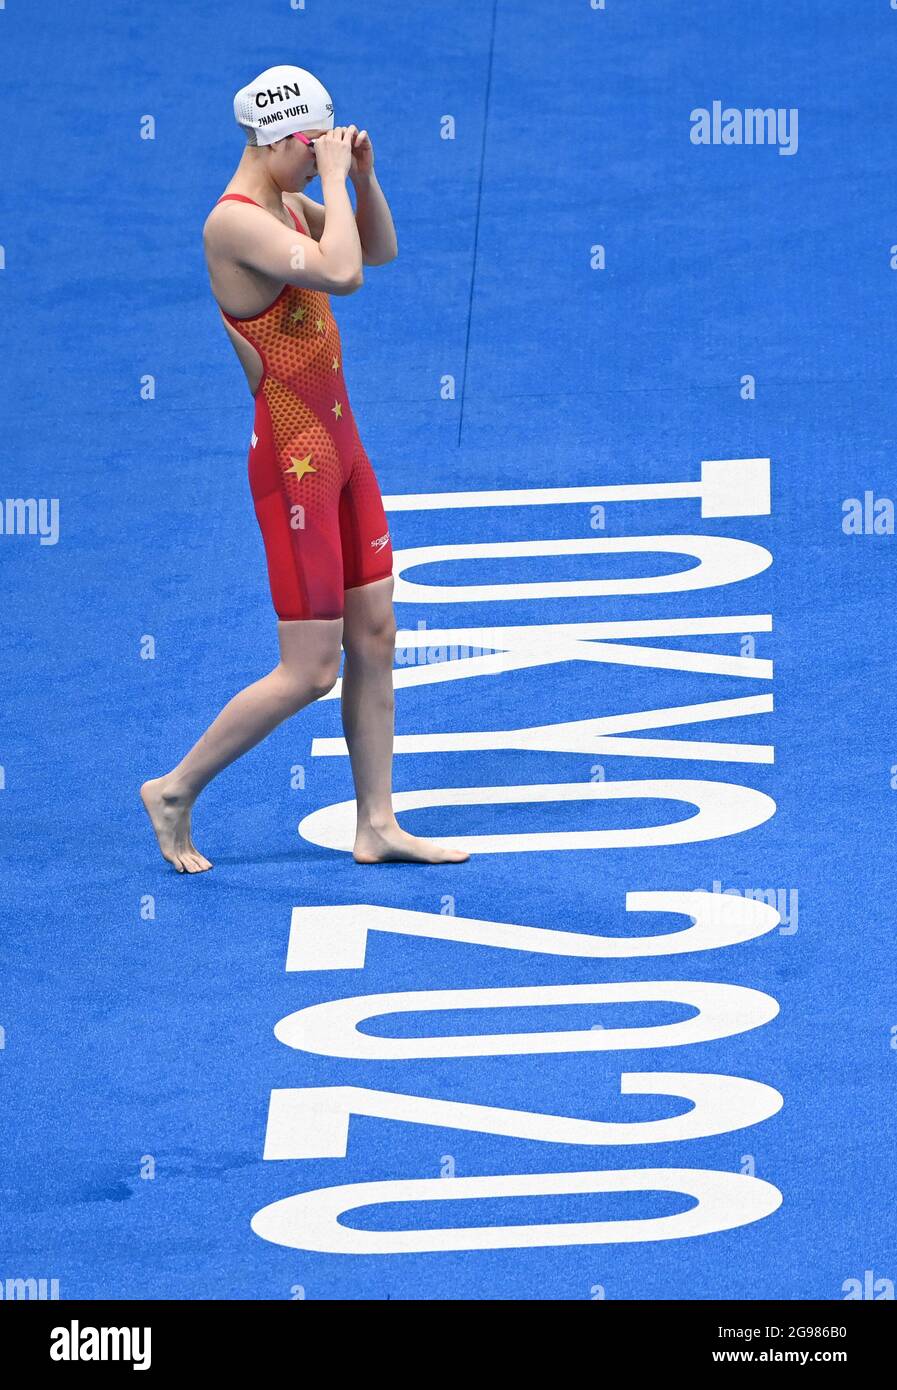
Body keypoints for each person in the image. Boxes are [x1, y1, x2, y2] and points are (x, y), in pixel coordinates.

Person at [141, 64, 469, 873]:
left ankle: (377, 824)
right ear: (283, 140)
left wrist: (360, 179)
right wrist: (329, 173)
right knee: (310, 670)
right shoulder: (234, 224)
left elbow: (377, 250)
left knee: (377, 635)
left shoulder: (288, 199)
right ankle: (175, 787)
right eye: (311, 145)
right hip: (294, 467)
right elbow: (341, 273)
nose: (318, 155)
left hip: (341, 450)